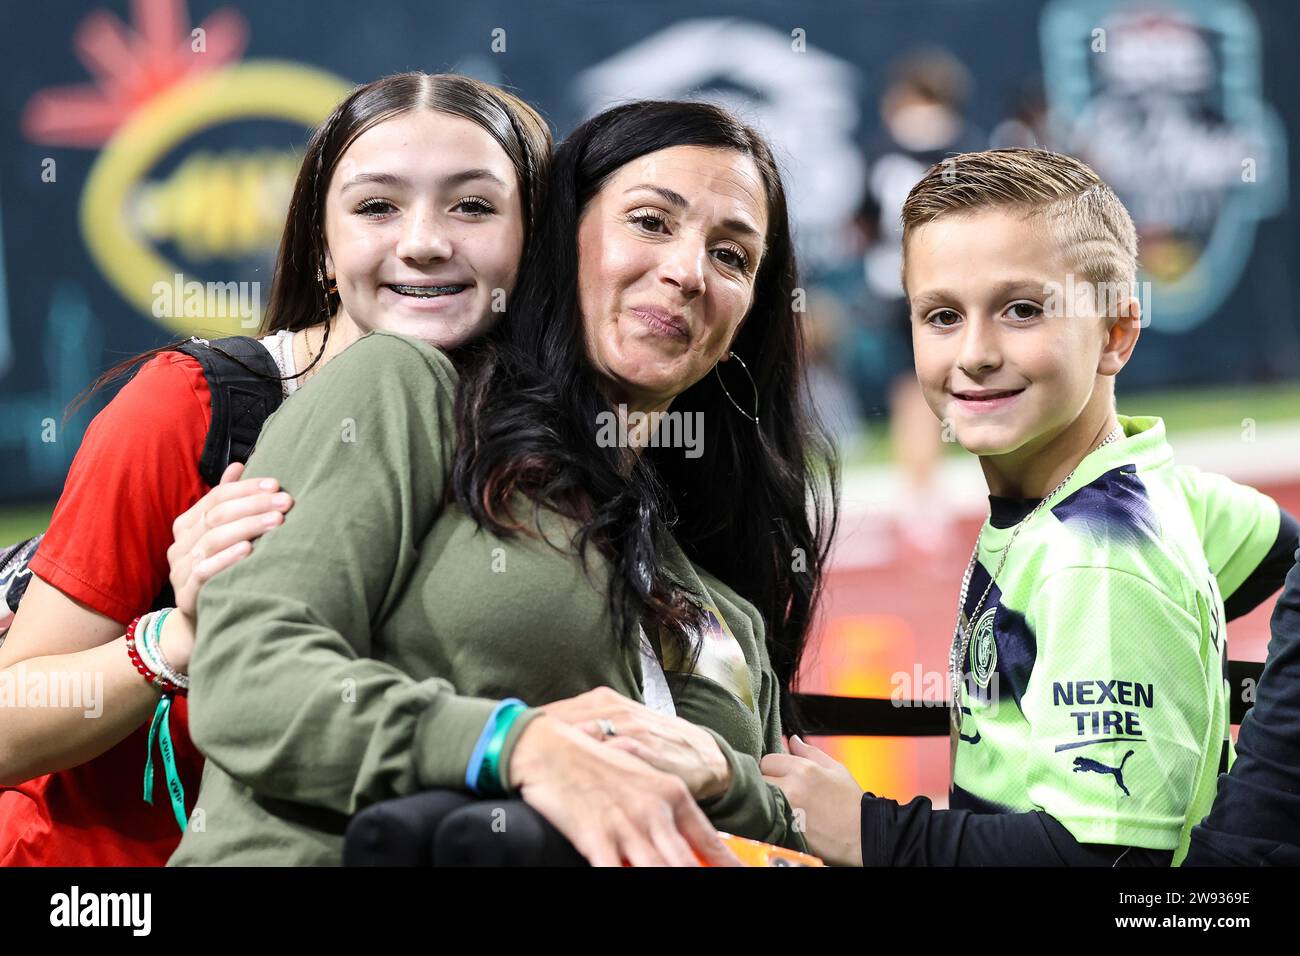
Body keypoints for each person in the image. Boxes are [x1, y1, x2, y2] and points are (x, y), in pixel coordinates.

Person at [168, 99, 837, 868]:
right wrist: (514, 745)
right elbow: (252, 683)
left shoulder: (725, 606)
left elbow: (787, 820)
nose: (688, 271)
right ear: (558, 242)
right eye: (651, 222)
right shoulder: (407, 391)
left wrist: (727, 777)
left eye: (732, 256)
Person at [0, 71, 552, 866]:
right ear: (323, 248)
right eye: (376, 207)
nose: (426, 240)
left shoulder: (547, 440)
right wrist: (180, 640)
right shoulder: (188, 408)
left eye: (472, 205)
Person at [762, 148, 1298, 866]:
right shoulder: (1150, 478)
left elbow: (1104, 863)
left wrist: (868, 832)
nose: (976, 352)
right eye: (943, 315)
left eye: (1022, 309)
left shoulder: (1099, 560)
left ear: (1116, 334)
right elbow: (1281, 552)